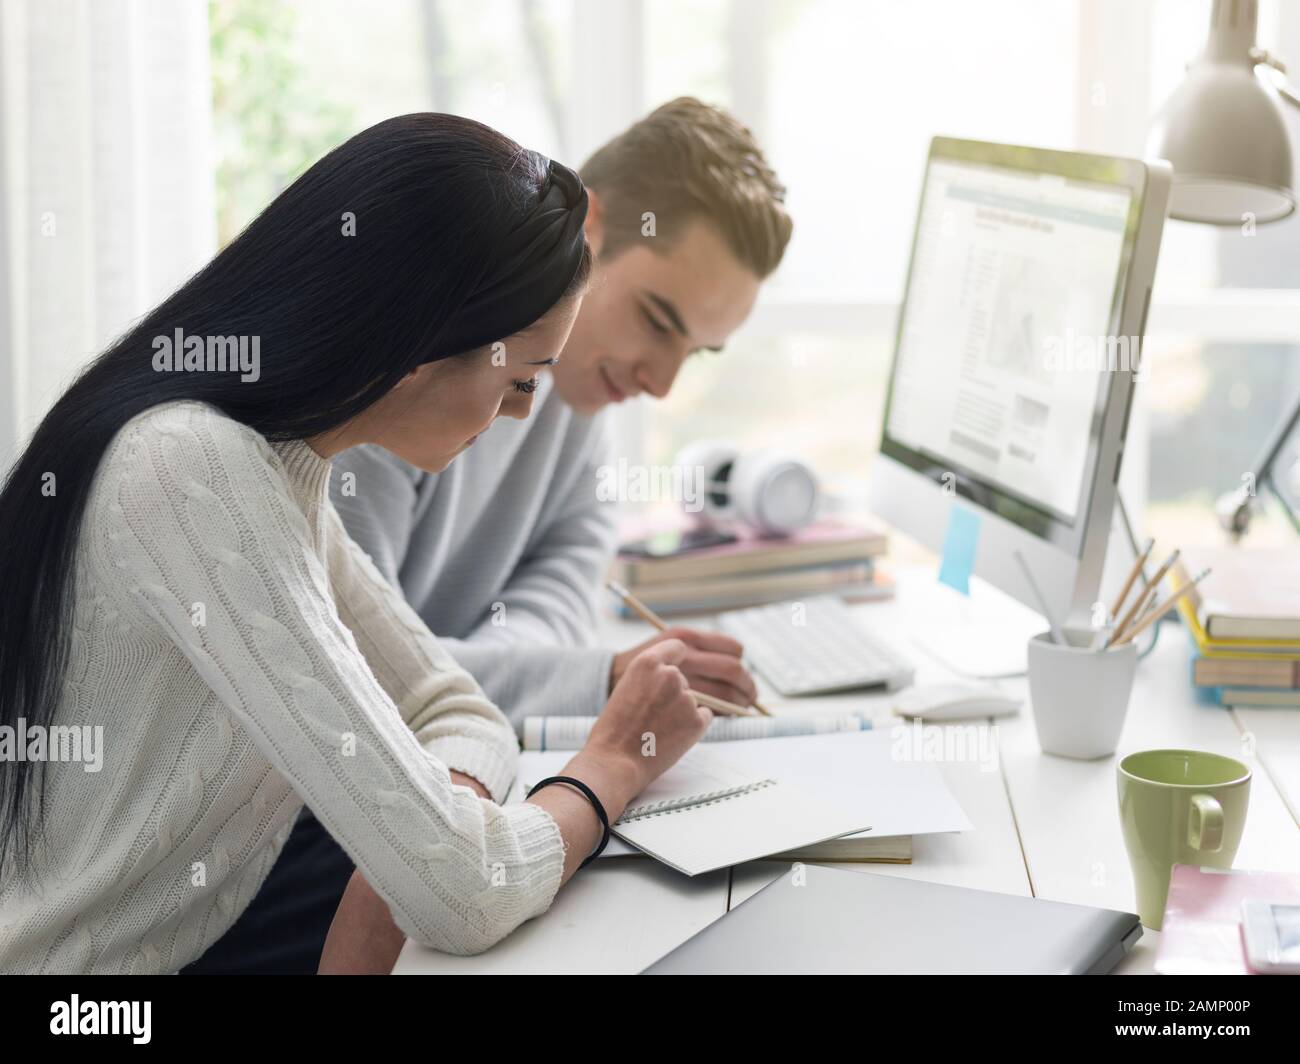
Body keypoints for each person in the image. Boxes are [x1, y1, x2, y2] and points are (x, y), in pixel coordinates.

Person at [0, 114, 713, 975]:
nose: (524, 413)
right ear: (419, 341)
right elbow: (466, 889)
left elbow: (455, 710)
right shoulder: (195, 466)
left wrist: (437, 820)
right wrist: (607, 770)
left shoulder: (281, 466)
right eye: (520, 379)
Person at [330, 98, 794, 725]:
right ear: (588, 225)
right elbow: (351, 671)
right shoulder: (405, 372)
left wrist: (523, 681)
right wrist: (593, 679)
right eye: (656, 322)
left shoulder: (581, 399)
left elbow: (561, 594)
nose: (661, 383)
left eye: (697, 352)